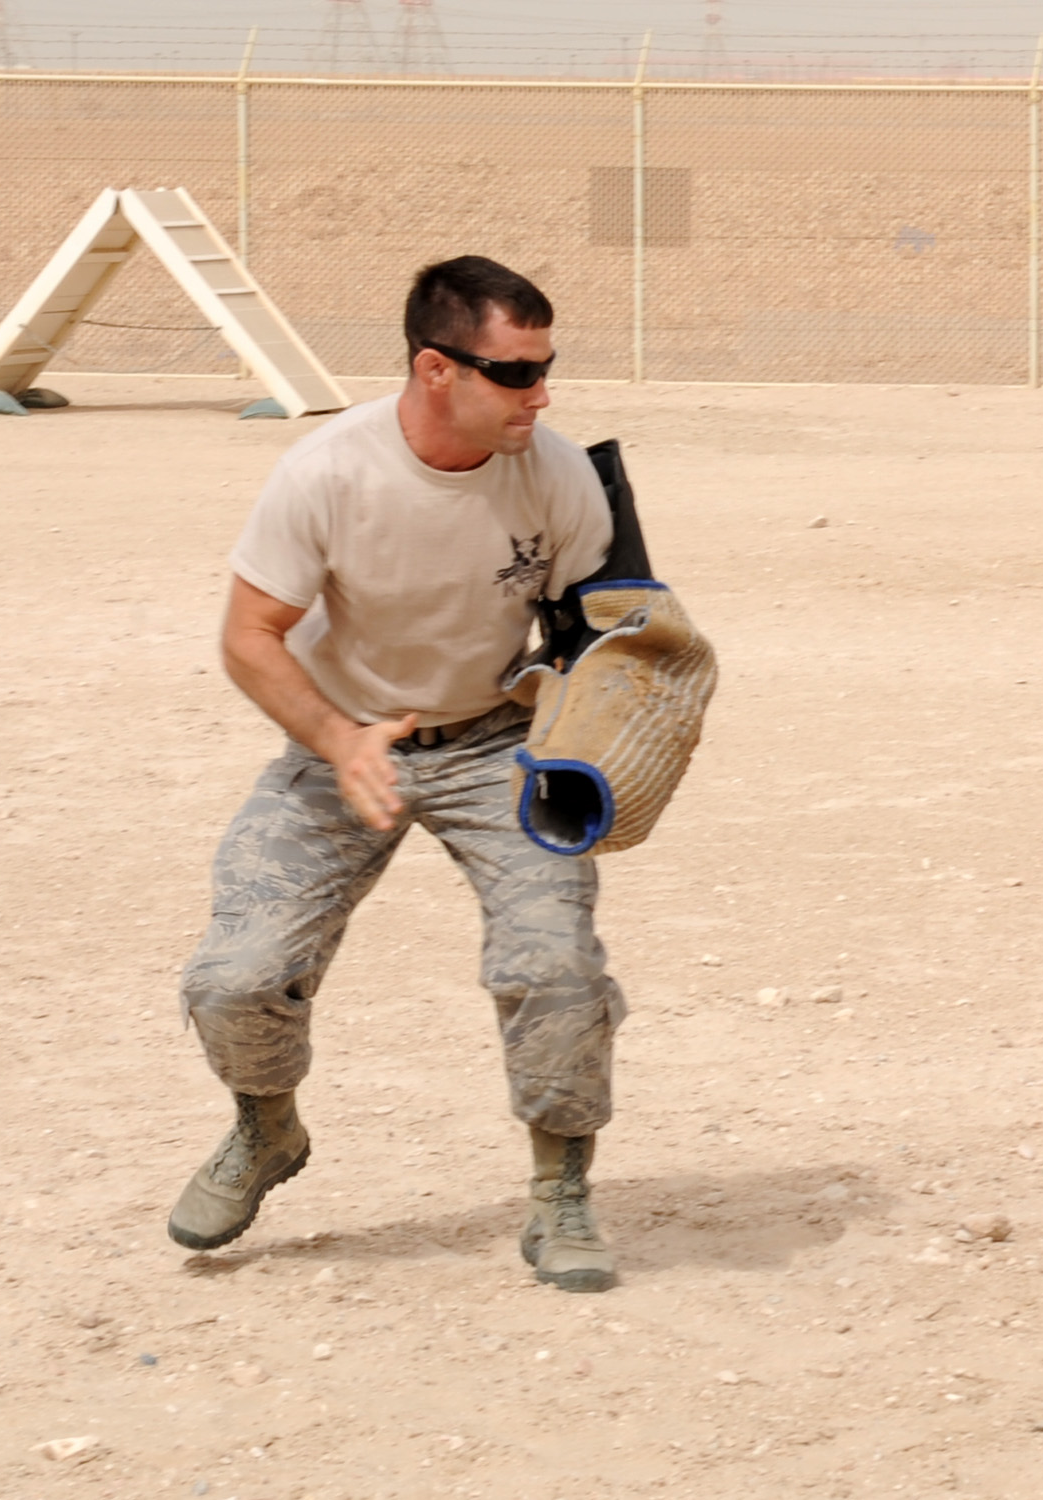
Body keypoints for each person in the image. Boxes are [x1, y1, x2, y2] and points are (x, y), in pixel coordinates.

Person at [168, 256, 625, 1292]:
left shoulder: (557, 475)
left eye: (547, 368)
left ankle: (560, 1190)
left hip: (495, 745)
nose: (541, 394)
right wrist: (339, 740)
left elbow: (603, 629)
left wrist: (606, 700)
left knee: (554, 968)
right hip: (347, 743)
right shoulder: (328, 472)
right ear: (434, 369)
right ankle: (266, 1129)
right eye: (515, 374)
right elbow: (250, 635)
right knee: (234, 981)